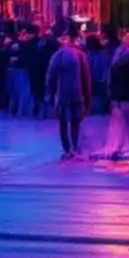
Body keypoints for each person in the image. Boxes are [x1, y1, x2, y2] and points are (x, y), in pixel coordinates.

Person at [46, 27, 92, 159]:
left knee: (63, 121)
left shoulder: (57, 55)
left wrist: (49, 94)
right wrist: (87, 97)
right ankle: (75, 147)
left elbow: (50, 77)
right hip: (77, 93)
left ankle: (67, 148)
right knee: (75, 121)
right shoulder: (80, 55)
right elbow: (86, 78)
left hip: (61, 94)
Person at [102, 34, 129, 160]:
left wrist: (113, 97)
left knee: (124, 125)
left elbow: (113, 80)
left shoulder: (117, 60)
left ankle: (118, 149)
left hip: (120, 97)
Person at [7, 26, 34, 117]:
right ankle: (21, 111)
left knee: (14, 92)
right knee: (22, 92)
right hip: (21, 70)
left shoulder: (11, 43)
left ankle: (13, 110)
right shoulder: (26, 45)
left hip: (12, 69)